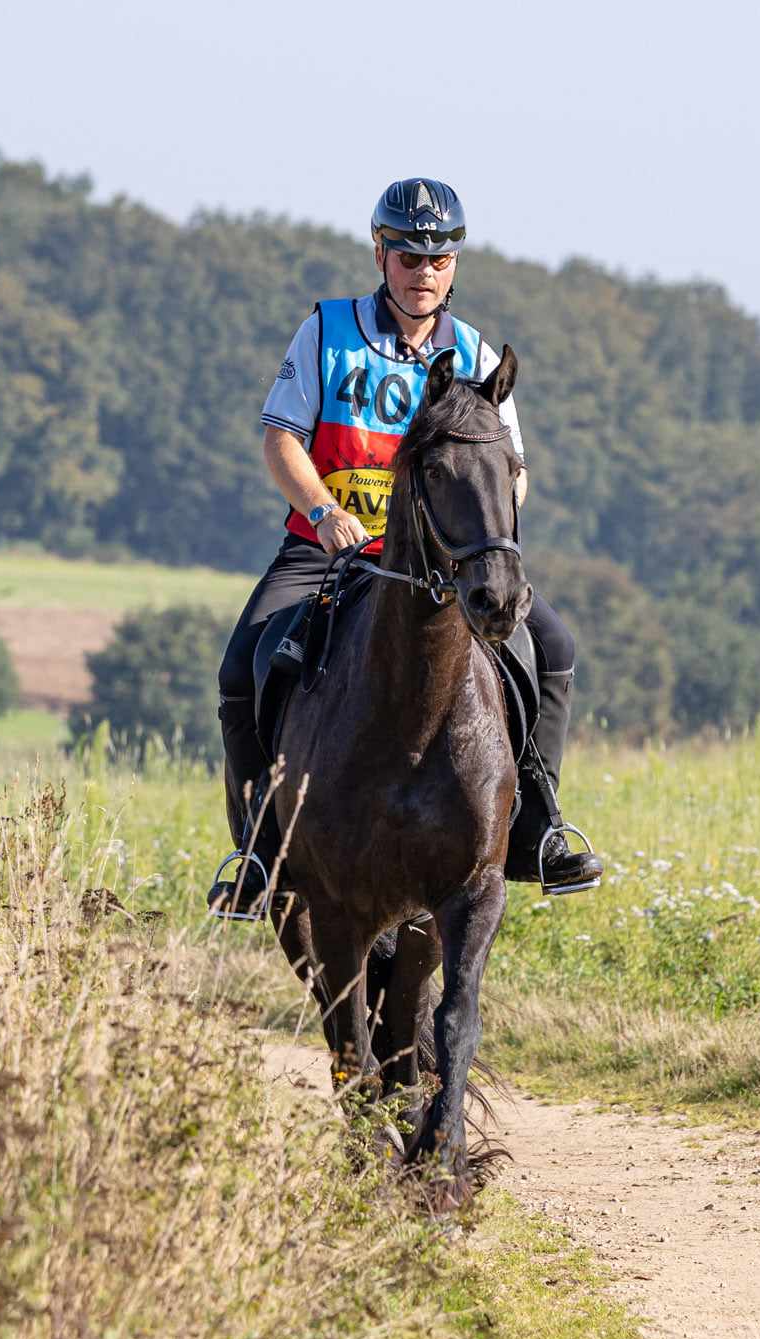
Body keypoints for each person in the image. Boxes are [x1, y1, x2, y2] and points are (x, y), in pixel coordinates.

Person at [208, 177, 604, 913]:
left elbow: (513, 471)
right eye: (409, 257)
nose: (423, 273)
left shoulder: (477, 352)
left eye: (438, 259)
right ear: (381, 254)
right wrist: (323, 510)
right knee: (243, 666)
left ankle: (539, 829)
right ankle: (259, 850)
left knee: (554, 648)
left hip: (443, 559)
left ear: (454, 265)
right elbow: (280, 440)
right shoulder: (327, 331)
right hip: (329, 547)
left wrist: (490, 533)